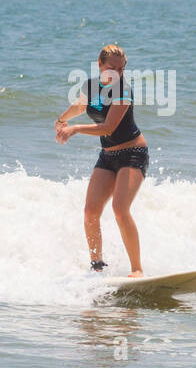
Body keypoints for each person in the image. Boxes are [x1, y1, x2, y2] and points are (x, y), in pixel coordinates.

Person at [55, 44, 147, 276]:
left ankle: (137, 269)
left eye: (121, 68)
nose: (116, 72)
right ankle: (97, 266)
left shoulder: (124, 90)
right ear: (100, 65)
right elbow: (81, 104)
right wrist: (62, 119)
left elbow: (108, 127)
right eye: (111, 68)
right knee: (90, 212)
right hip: (108, 155)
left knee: (119, 208)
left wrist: (75, 129)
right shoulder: (91, 85)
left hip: (133, 153)